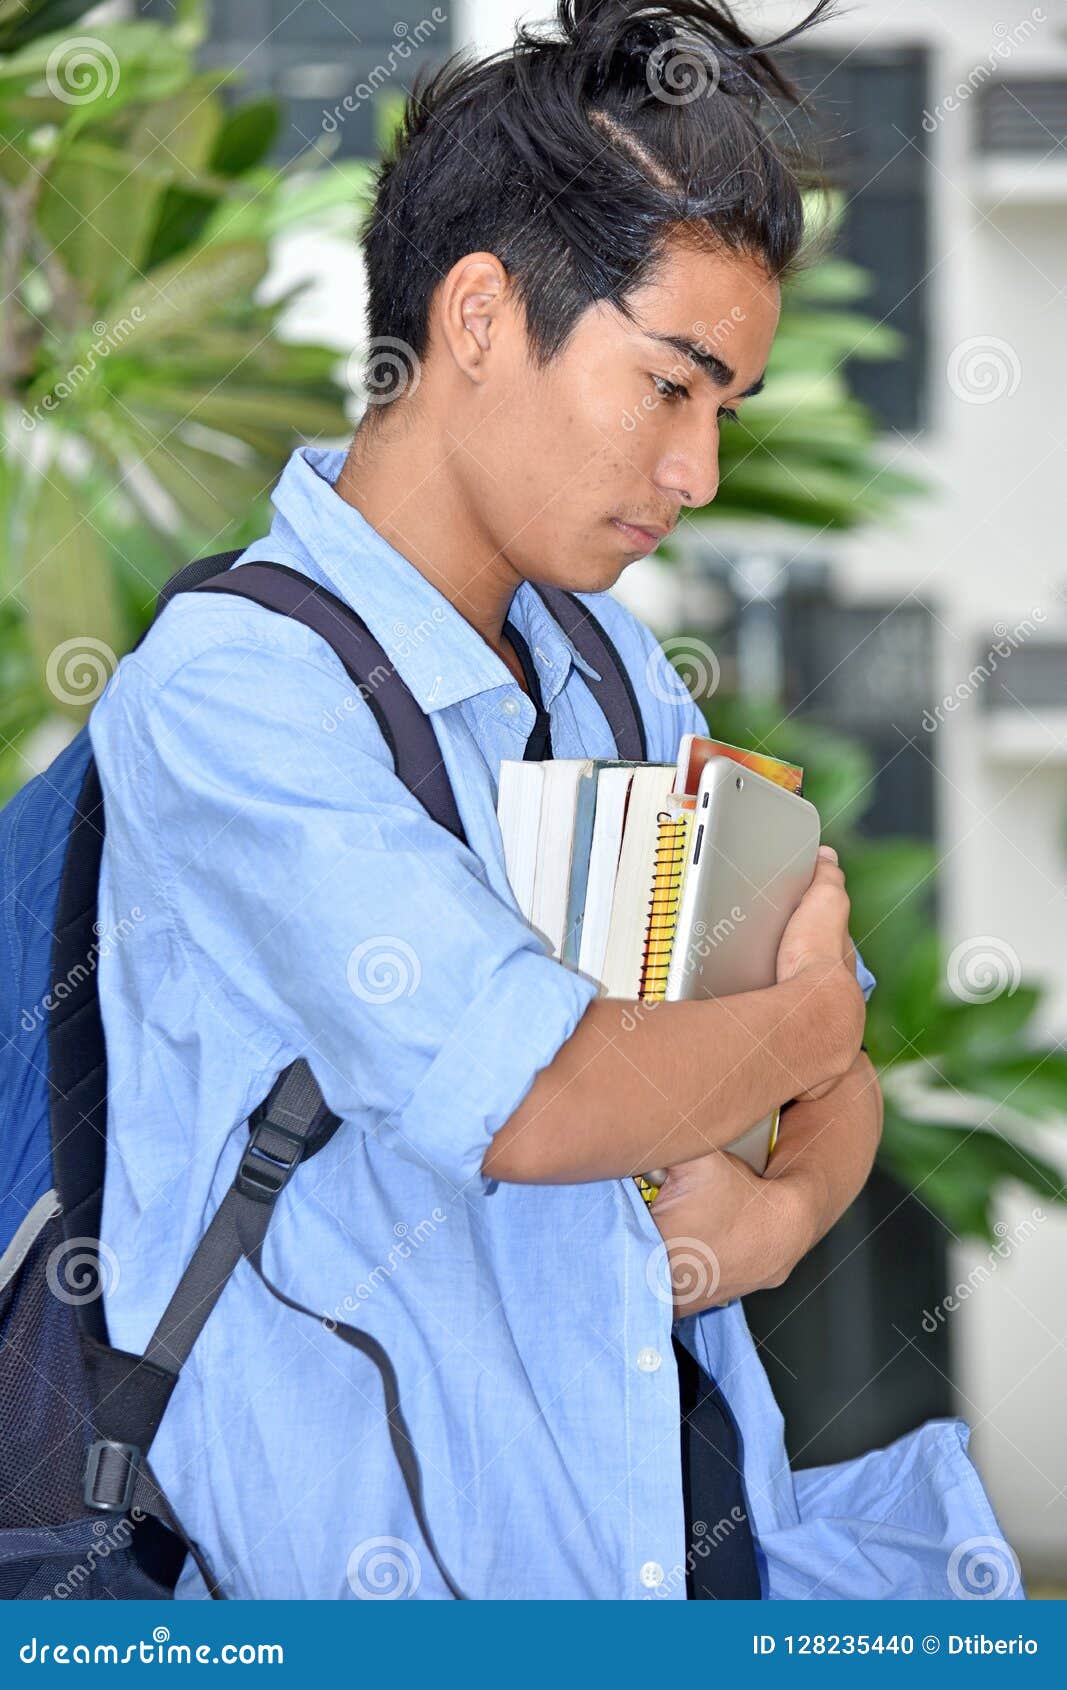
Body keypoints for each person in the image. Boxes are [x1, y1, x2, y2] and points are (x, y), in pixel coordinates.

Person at [89, 0, 1018, 1599]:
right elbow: (543, 1100)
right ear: (476, 315)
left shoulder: (607, 672)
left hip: (677, 1569)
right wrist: (791, 1029)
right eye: (671, 387)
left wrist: (772, 1222)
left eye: (724, 410)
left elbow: (831, 1079)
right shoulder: (231, 695)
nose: (700, 473)